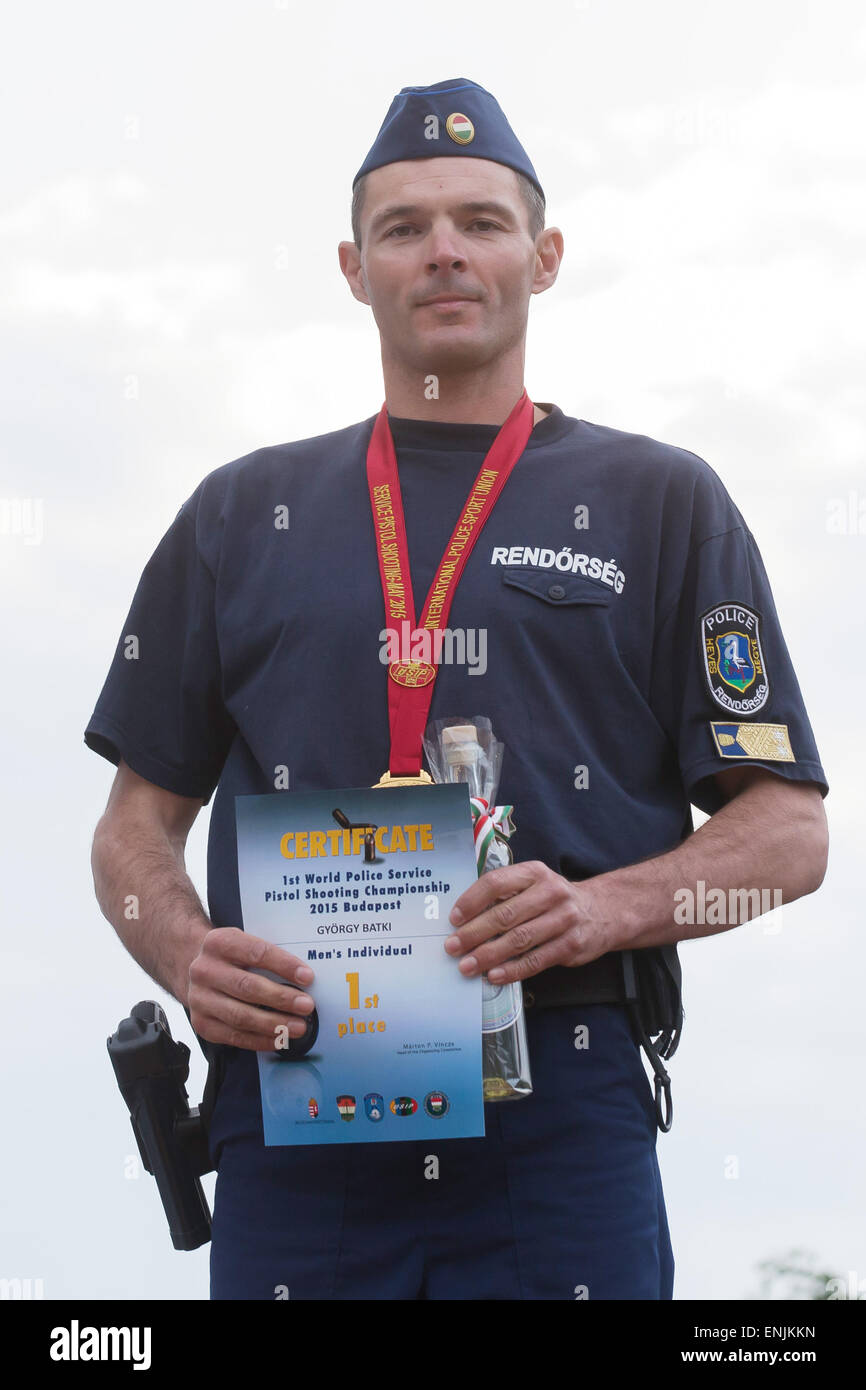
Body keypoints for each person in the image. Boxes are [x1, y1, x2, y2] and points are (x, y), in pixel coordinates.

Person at [86, 78, 829, 1300]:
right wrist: (181, 952)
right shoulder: (238, 514)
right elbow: (131, 829)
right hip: (293, 1095)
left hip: (564, 1097)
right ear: (351, 265)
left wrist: (600, 910)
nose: (444, 251)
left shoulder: (660, 502)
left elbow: (787, 834)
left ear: (542, 257)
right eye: (403, 227)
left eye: (481, 222)